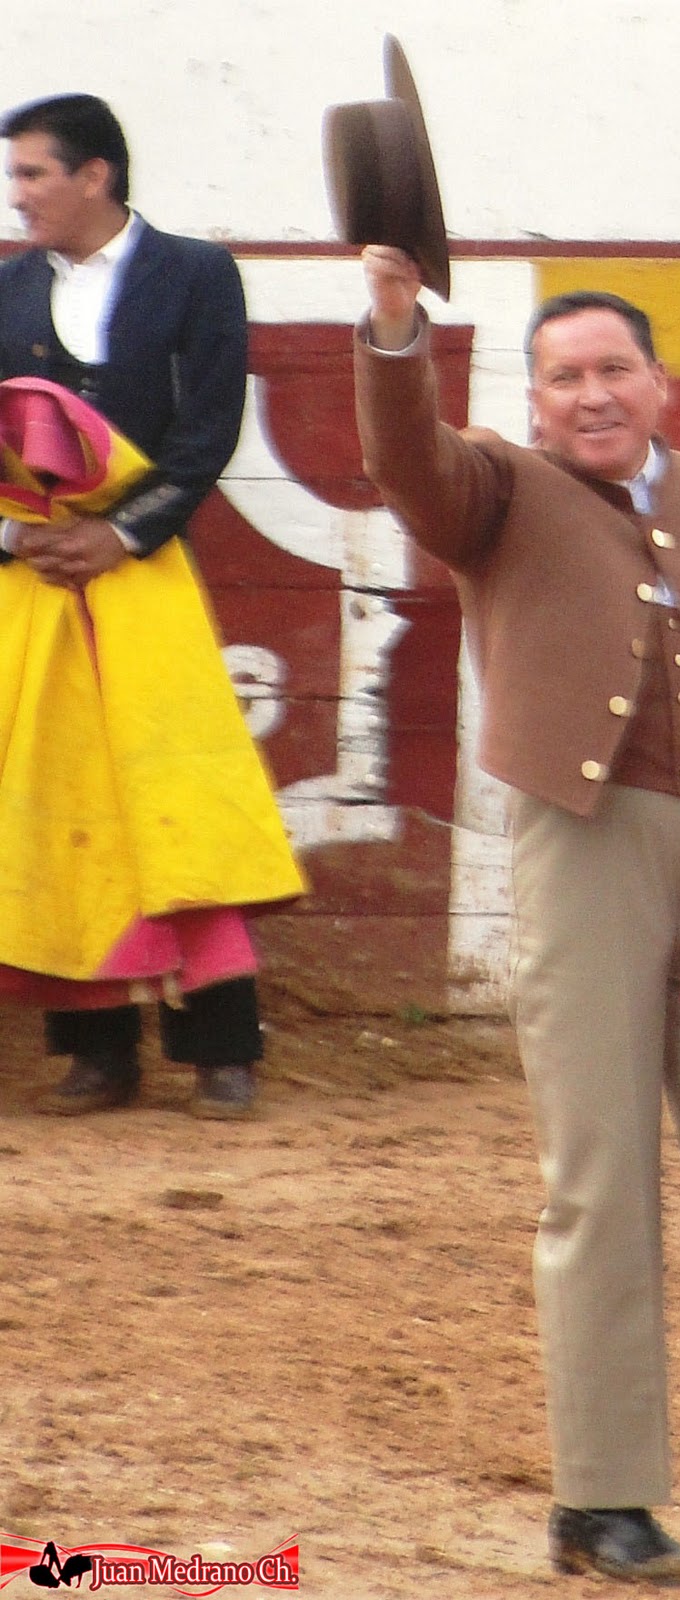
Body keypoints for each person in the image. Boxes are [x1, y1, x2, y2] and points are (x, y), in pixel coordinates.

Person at [353, 248, 680, 1589]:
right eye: (566, 378)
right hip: (582, 852)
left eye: (614, 372)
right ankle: (603, 1507)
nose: (592, 396)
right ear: (532, 405)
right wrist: (395, 326)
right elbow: (406, 460)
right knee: (600, 1179)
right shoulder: (492, 486)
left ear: (662, 386)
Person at [0, 94, 271, 1119]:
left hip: (143, 577)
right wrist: (17, 538)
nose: (17, 195)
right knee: (61, 802)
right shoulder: (7, 289)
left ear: (95, 175)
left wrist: (120, 533)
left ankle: (220, 1045)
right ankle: (98, 1052)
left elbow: (207, 433)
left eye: (31, 174)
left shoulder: (194, 273)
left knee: (180, 804)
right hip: (34, 581)